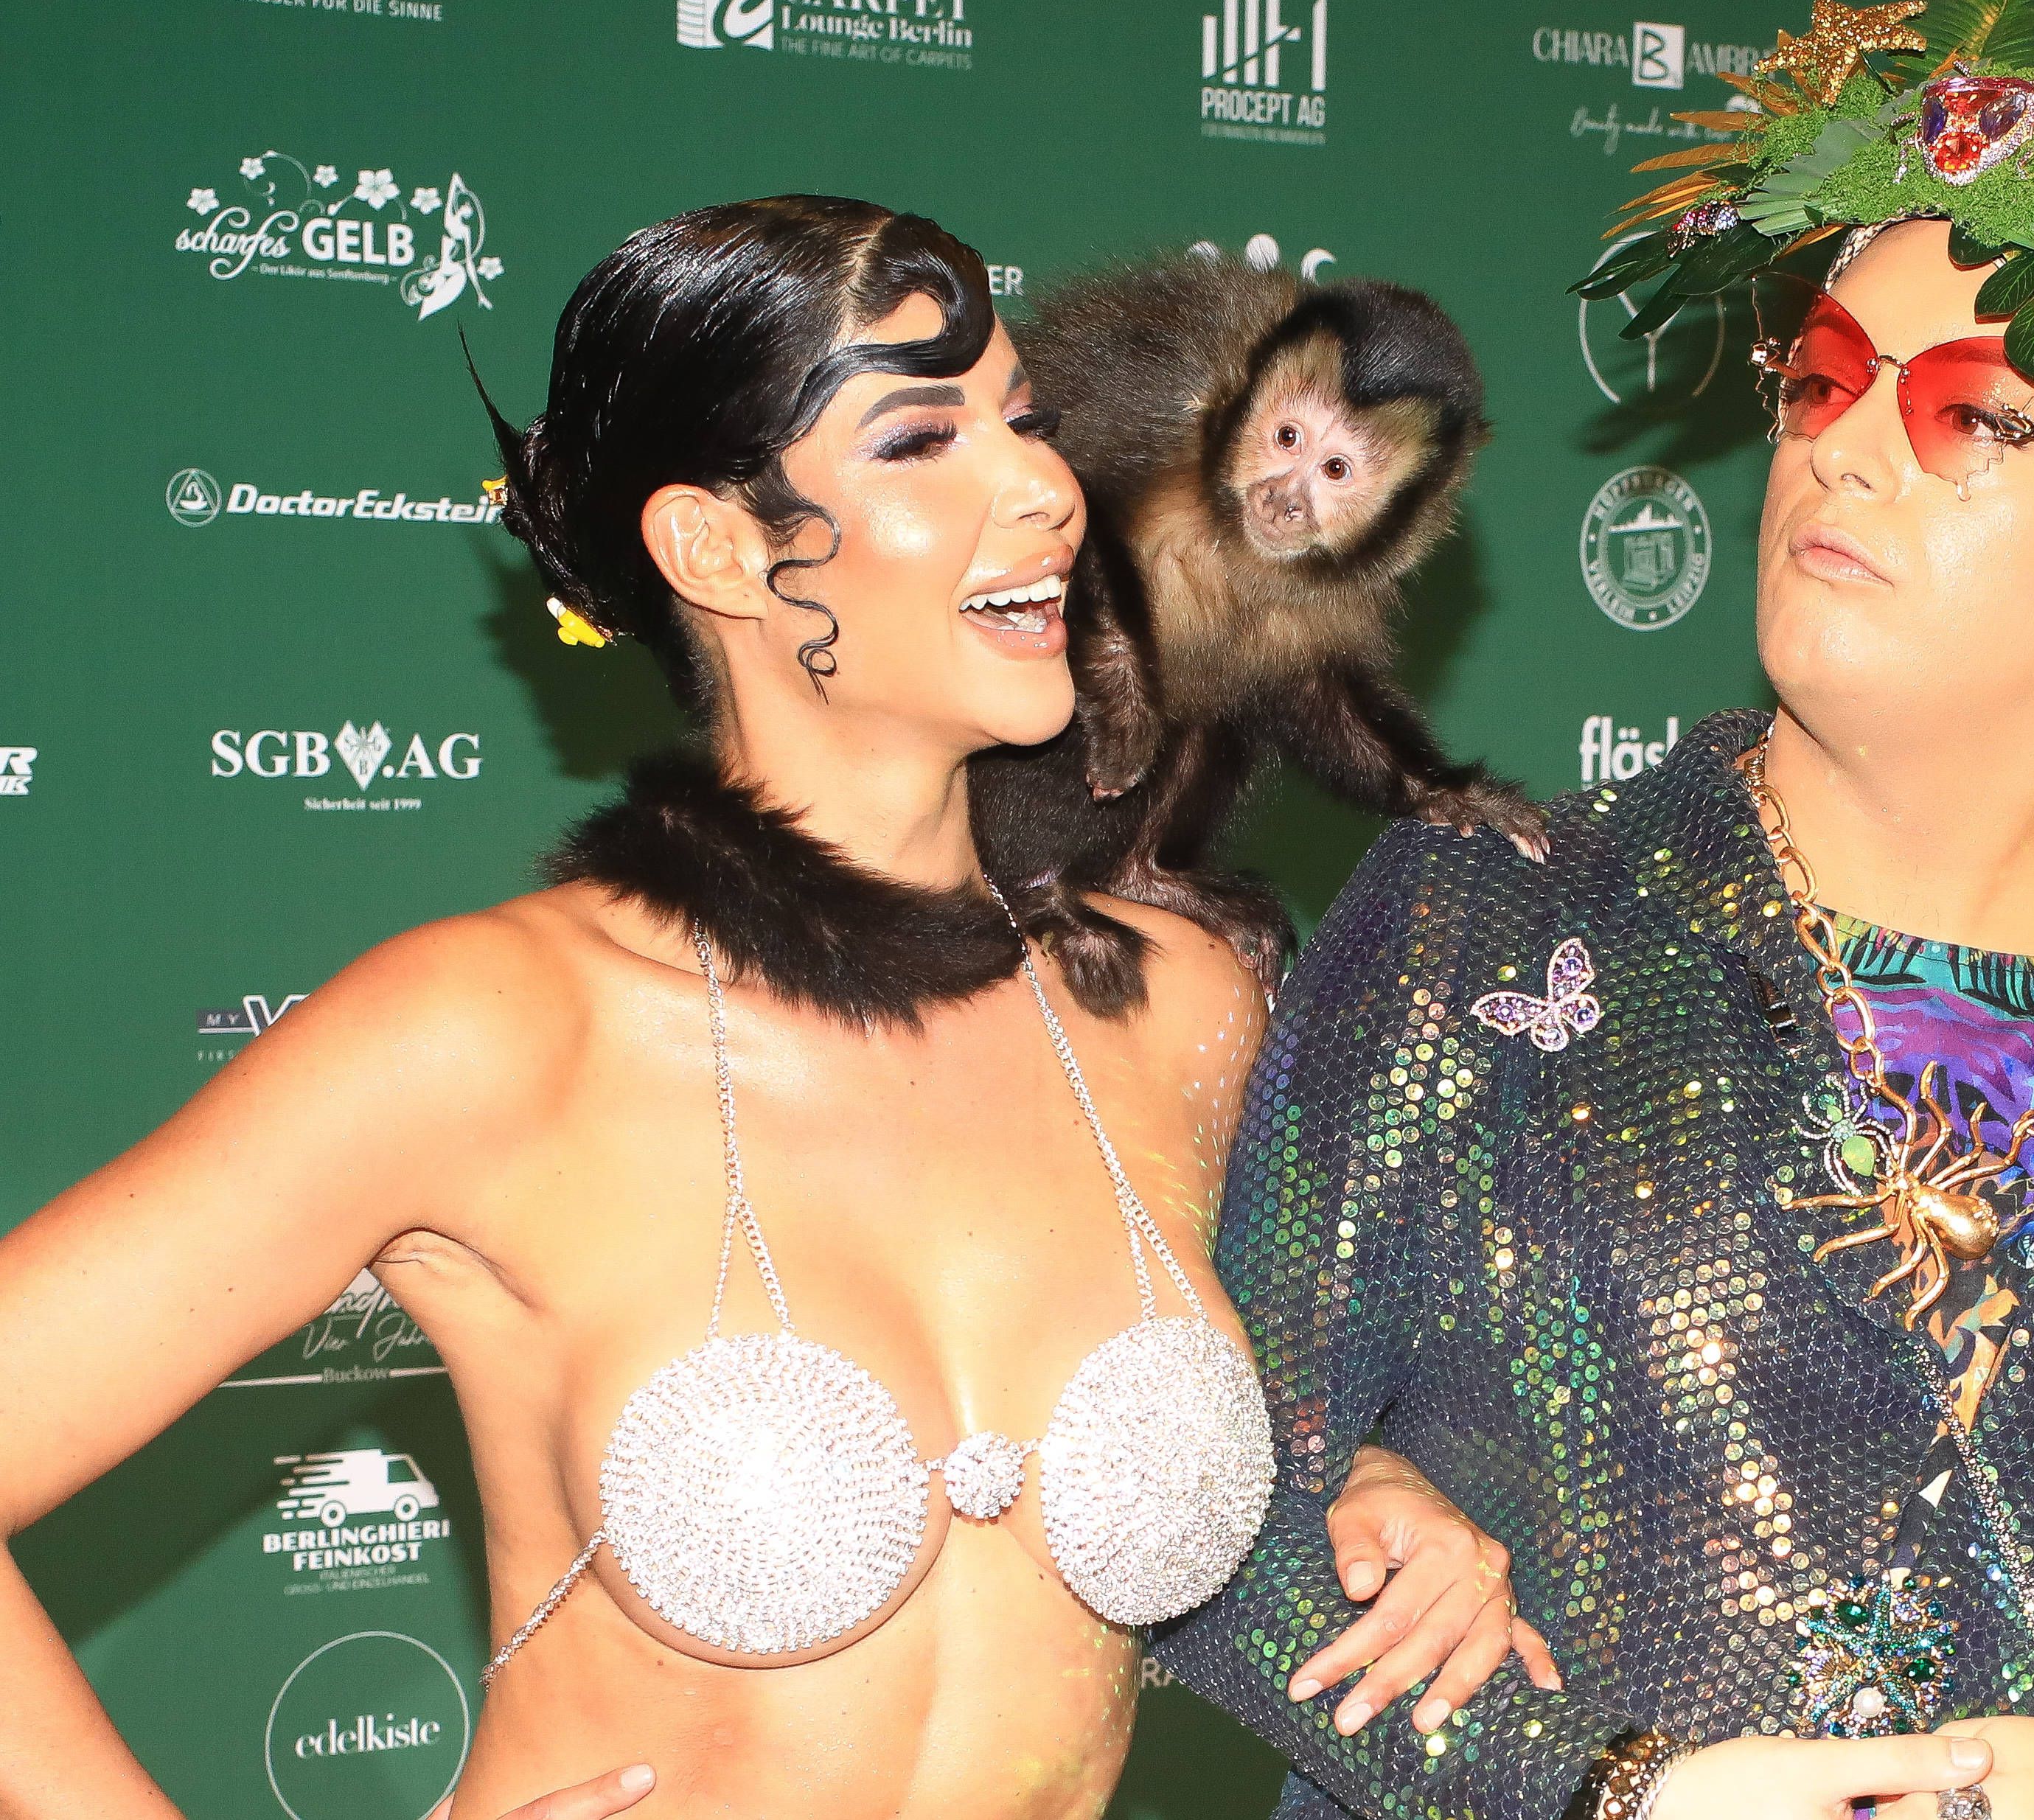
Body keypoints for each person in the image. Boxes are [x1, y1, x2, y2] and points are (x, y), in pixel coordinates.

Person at [1161, 0, 2034, 1820]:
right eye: (1822, 380)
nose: (1841, 445)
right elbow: (1196, 1513)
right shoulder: (1490, 913)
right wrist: (1606, 1791)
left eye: (1965, 416)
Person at [0, 195, 1544, 1820]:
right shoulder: (494, 1033)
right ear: (716, 549)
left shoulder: (1182, 1010)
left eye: (1024, 420)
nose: (1042, 487)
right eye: (919, 441)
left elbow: (1264, 1433)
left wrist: (1383, 1493)